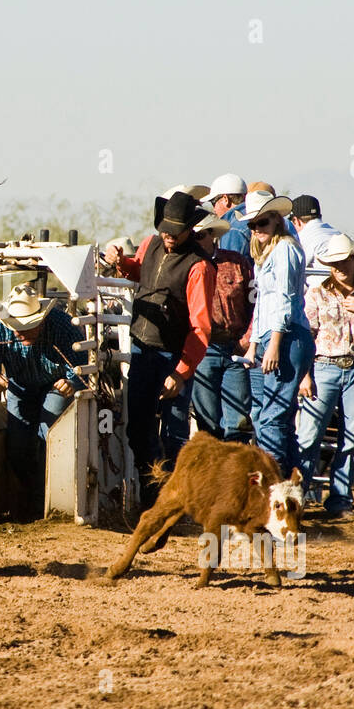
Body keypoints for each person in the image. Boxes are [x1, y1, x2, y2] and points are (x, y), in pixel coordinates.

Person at [126, 191, 216, 507]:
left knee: (174, 432)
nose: (168, 234)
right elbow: (140, 272)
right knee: (137, 427)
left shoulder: (199, 267)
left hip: (172, 355)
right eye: (166, 227)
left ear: (189, 229)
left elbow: (200, 326)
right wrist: (121, 264)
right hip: (142, 347)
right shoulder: (150, 246)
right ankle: (156, 494)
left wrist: (181, 372)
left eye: (174, 230)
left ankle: (169, 501)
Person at [295, 234, 354, 516]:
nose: (339, 267)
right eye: (334, 262)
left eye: (344, 260)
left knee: (351, 438)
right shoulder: (316, 295)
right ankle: (297, 496)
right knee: (309, 435)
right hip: (322, 367)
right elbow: (306, 338)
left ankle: (340, 500)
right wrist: (305, 375)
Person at [0, 282, 87, 518]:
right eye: (15, 326)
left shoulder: (63, 325)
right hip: (19, 384)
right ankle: (24, 501)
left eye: (25, 327)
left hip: (54, 385)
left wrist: (72, 382)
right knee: (17, 446)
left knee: (49, 438)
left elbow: (81, 367)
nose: (18, 332)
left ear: (42, 321)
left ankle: (45, 502)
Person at [243, 190, 314, 476]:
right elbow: (264, 303)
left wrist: (272, 344)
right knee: (275, 418)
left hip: (286, 338)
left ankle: (273, 491)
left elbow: (284, 299)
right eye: (253, 224)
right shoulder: (272, 250)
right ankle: (292, 488)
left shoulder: (283, 249)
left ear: (276, 220)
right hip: (278, 337)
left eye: (263, 222)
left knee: (271, 418)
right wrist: (254, 344)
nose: (258, 229)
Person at [188, 211, 255, 443]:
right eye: (192, 235)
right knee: (207, 424)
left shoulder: (239, 263)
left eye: (200, 235)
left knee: (239, 422)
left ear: (212, 235)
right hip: (202, 349)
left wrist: (246, 340)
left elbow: (255, 304)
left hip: (235, 346)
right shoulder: (187, 264)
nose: (195, 239)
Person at [290, 194, 340, 285]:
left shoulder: (302, 238)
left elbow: (291, 271)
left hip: (322, 293)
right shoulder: (338, 233)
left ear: (295, 220)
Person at [203, 173, 249, 255]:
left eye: (213, 202)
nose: (214, 209)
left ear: (225, 199)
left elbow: (232, 266)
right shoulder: (257, 215)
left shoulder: (233, 229)